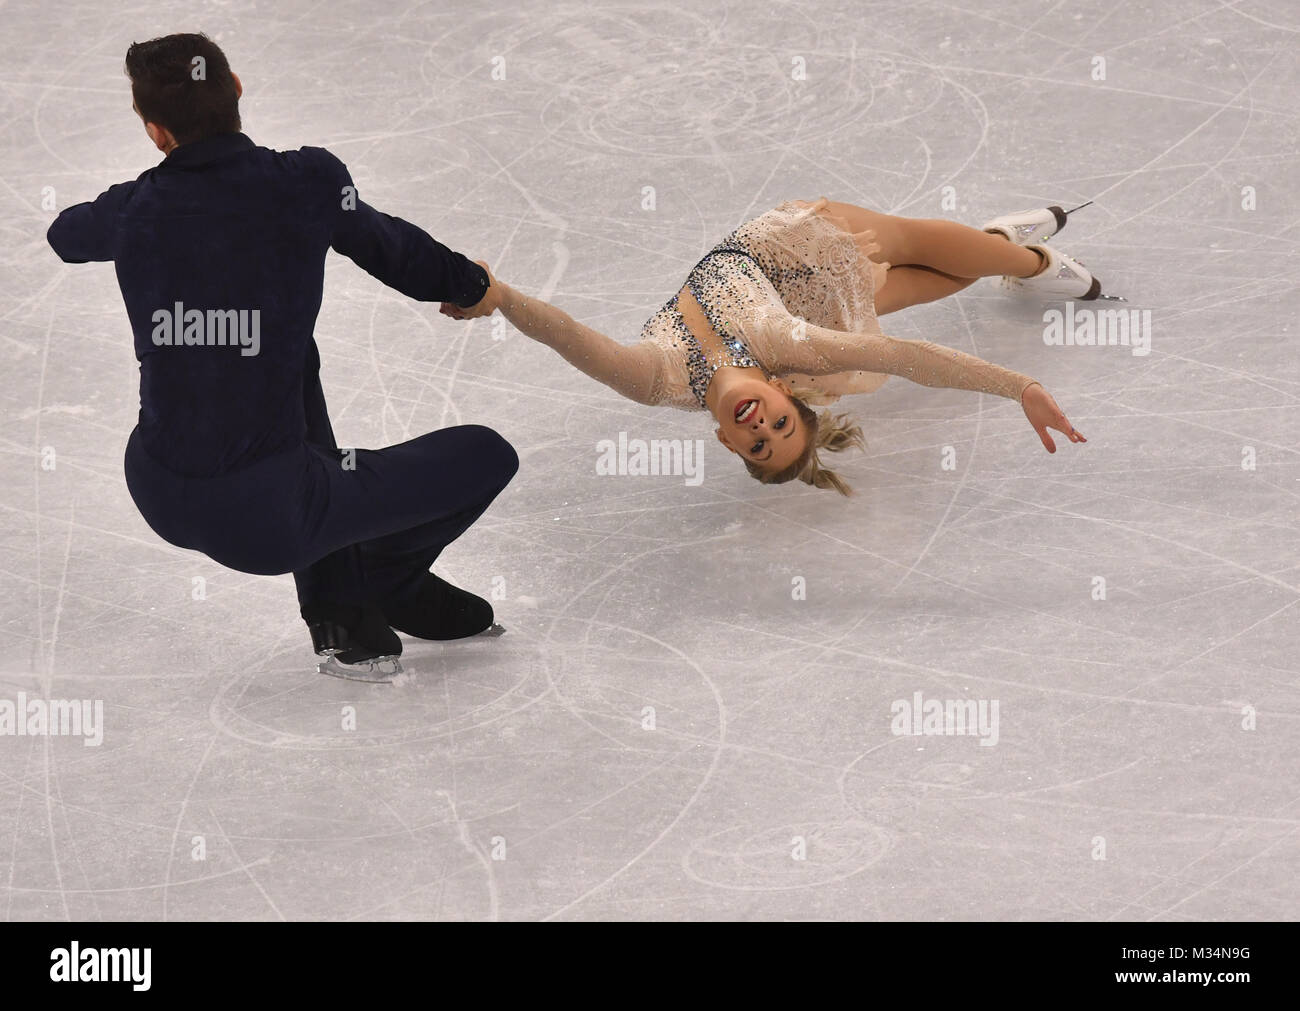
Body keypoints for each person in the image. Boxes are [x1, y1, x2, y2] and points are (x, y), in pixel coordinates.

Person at [46, 32, 515, 680]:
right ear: (237, 88)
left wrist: (136, 206)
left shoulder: (135, 207)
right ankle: (384, 577)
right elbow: (400, 255)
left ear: (156, 132)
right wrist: (471, 284)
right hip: (269, 516)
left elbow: (64, 234)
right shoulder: (307, 182)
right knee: (489, 453)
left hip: (155, 485)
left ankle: (342, 617)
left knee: (282, 350)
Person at [447, 199, 1095, 495]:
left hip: (784, 265)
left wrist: (498, 295)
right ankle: (1031, 256)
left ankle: (1008, 249)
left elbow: (569, 337)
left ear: (729, 442)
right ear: (785, 393)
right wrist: (1021, 386)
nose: (762, 426)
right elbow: (903, 358)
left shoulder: (655, 379)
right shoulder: (789, 344)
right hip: (798, 275)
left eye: (759, 441)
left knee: (925, 260)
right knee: (908, 267)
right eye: (781, 427)